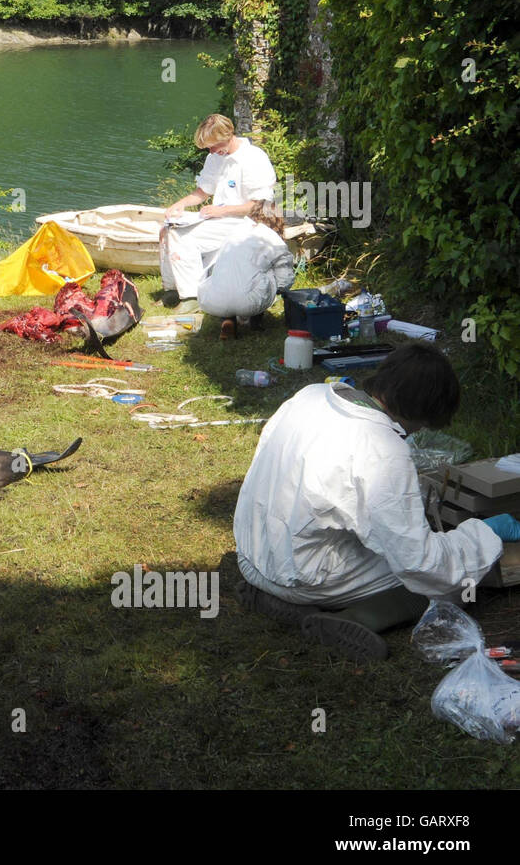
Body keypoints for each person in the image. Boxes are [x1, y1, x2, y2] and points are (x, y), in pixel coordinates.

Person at [233, 343, 514, 662]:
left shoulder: (311, 395)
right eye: (423, 423)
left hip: (253, 552)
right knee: (447, 581)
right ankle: (353, 619)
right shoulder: (382, 449)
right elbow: (420, 562)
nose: (419, 431)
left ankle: (276, 597)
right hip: (299, 573)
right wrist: (484, 534)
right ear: (419, 412)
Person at [159, 113, 278, 314]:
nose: (211, 151)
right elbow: (203, 191)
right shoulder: (215, 157)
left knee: (181, 235)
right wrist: (179, 205)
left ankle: (191, 297)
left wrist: (221, 210)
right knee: (167, 227)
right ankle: (172, 288)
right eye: (208, 148)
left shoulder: (253, 158)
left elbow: (260, 204)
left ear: (228, 136)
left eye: (213, 146)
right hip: (220, 218)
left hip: (247, 221)